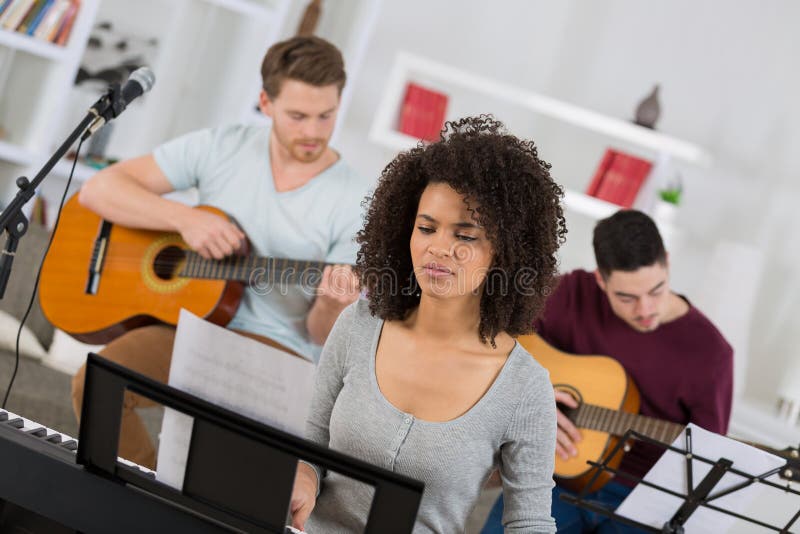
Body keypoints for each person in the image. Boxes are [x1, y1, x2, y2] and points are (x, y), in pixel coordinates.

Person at [70, 36, 368, 469]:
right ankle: (144, 506)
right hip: (191, 324)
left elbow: (321, 335)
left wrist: (333, 301)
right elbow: (99, 190)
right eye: (298, 116)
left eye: (326, 116)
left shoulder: (356, 199)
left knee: (217, 465)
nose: (313, 132)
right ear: (265, 103)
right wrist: (183, 219)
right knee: (96, 385)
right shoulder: (223, 145)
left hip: (277, 349)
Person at [287, 115, 566, 533]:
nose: (438, 248)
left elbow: (529, 522)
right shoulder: (359, 325)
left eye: (465, 236)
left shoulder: (525, 388)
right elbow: (311, 443)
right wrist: (304, 478)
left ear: (506, 252)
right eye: (426, 228)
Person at [482, 209, 734, 533]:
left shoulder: (712, 354)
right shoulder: (573, 293)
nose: (645, 310)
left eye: (656, 290)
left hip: (641, 503)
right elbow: (484, 340)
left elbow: (705, 460)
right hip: (552, 479)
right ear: (600, 279)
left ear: (668, 264)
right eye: (626, 297)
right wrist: (526, 401)